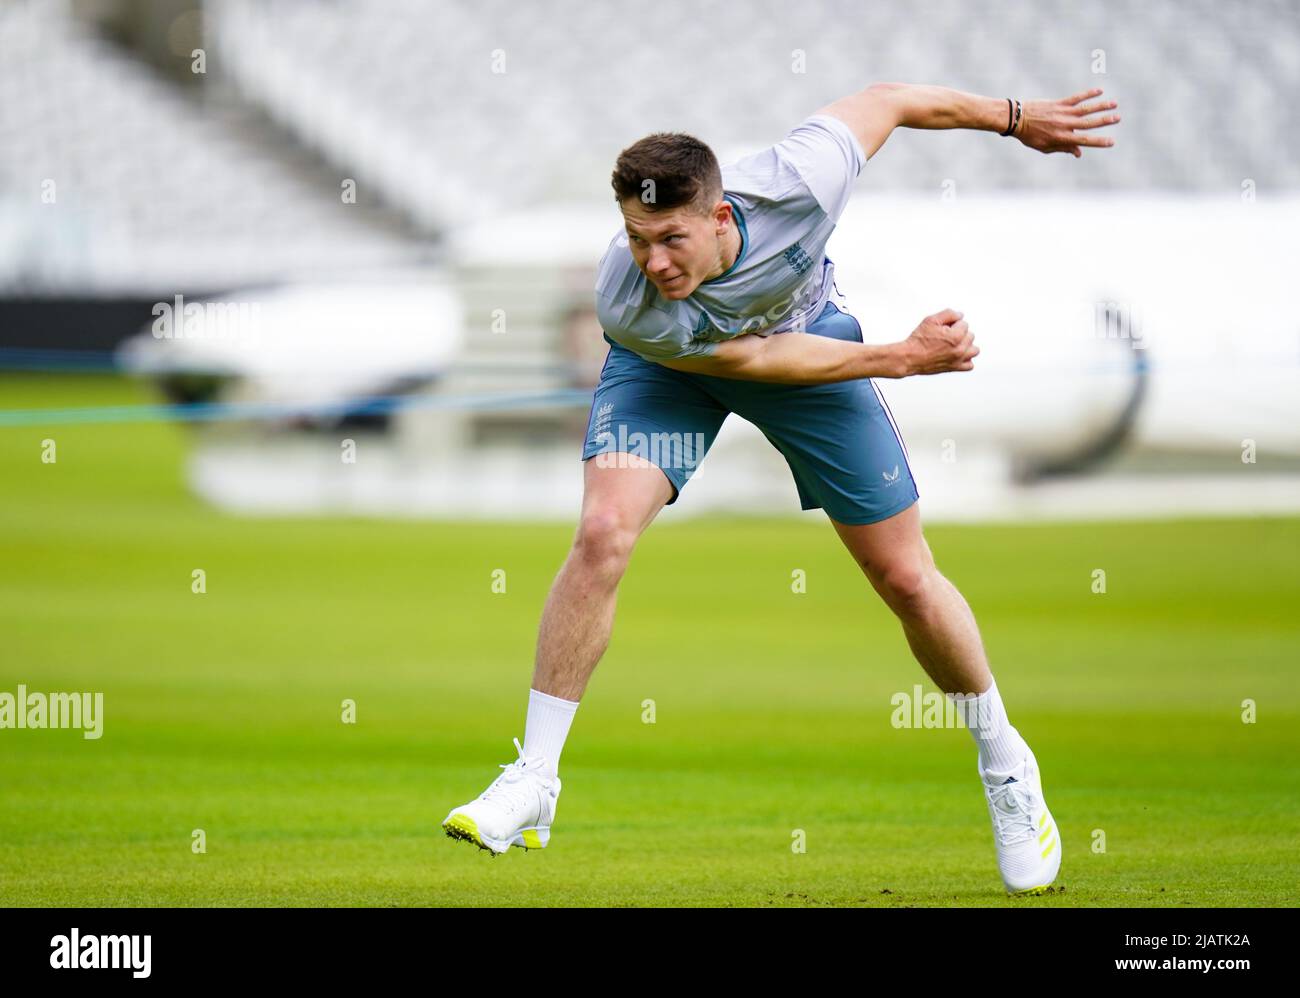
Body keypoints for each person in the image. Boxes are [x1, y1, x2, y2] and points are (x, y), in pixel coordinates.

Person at [442, 83, 1119, 895]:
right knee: (602, 535)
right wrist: (900, 358)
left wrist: (1016, 120)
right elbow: (753, 364)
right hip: (680, 369)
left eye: (669, 237)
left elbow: (895, 101)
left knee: (904, 576)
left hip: (809, 342)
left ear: (721, 217)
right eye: (635, 237)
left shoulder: (802, 176)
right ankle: (535, 777)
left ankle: (1005, 758)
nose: (652, 260)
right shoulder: (630, 300)